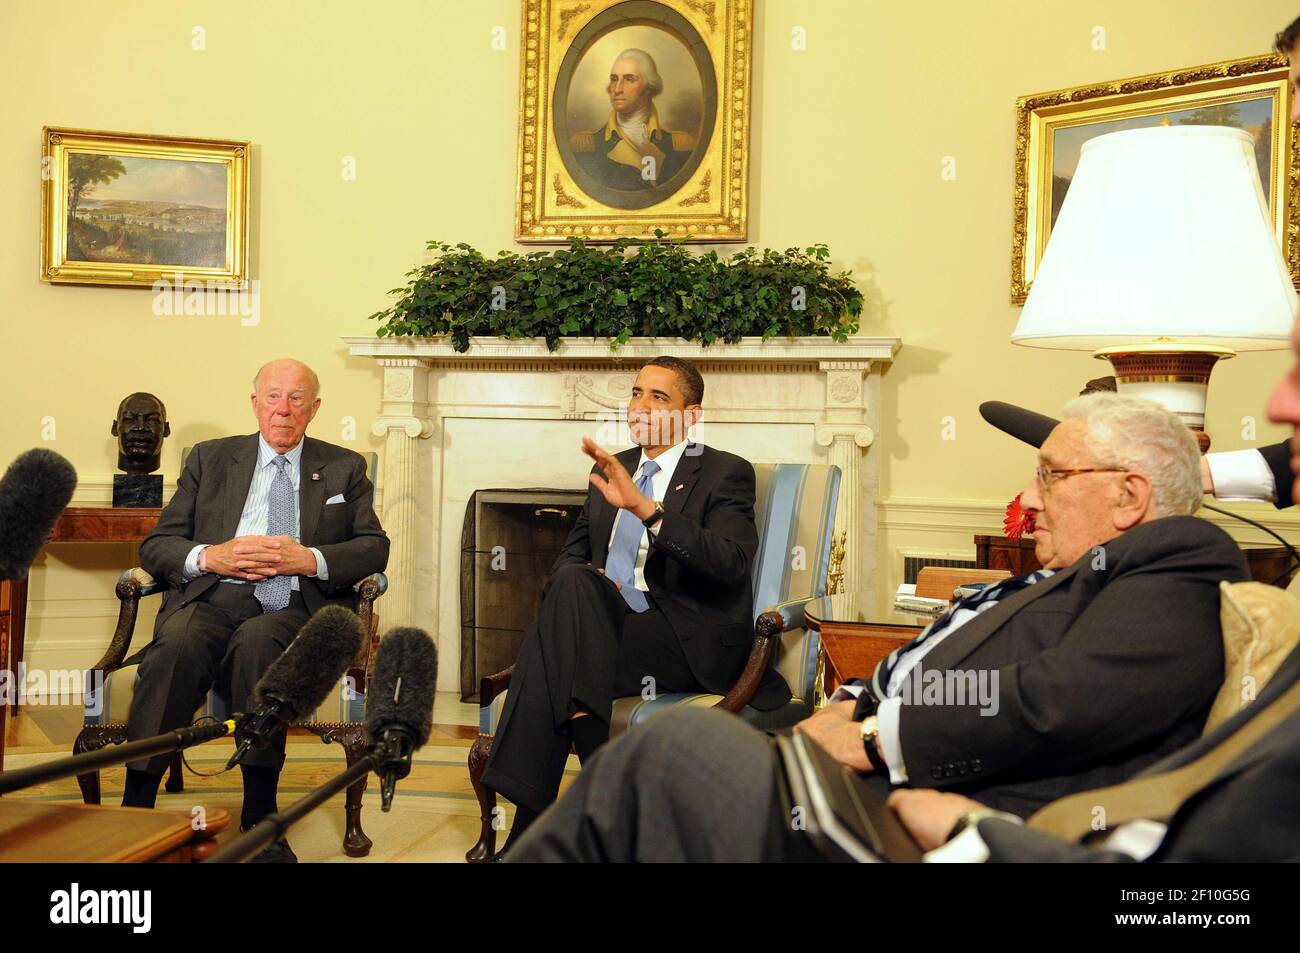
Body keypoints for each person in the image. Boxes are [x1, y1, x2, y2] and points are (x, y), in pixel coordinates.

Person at [508, 393, 1250, 861]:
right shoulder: (1072, 576)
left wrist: (873, 734)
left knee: (672, 749)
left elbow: (1064, 697)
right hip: (844, 762)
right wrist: (855, 693)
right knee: (636, 803)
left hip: (890, 809)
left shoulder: (1180, 562)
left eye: (1053, 475)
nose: (1030, 495)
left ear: (1130, 495)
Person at [482, 356, 788, 855]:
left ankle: (532, 832)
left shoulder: (724, 472)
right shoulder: (611, 468)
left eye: (658, 397)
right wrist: (597, 584)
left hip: (684, 640)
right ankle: (583, 822)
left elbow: (731, 564)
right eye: (636, 392)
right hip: (610, 633)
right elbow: (568, 560)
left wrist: (647, 509)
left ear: (692, 416)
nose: (640, 406)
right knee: (575, 588)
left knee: (548, 648)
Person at [121, 358, 389, 863]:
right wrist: (211, 556)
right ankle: (137, 806)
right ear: (255, 403)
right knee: (175, 648)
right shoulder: (210, 458)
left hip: (290, 603)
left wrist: (309, 559)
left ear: (313, 409)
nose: (283, 410)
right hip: (212, 596)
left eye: (295, 399)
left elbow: (375, 547)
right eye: (272, 397)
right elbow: (158, 544)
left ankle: (261, 815)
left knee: (260, 644)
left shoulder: (344, 467)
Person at [569, 48, 697, 191]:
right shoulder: (586, 146)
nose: (617, 89)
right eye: (614, 79)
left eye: (629, 79)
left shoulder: (679, 146)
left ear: (649, 87)